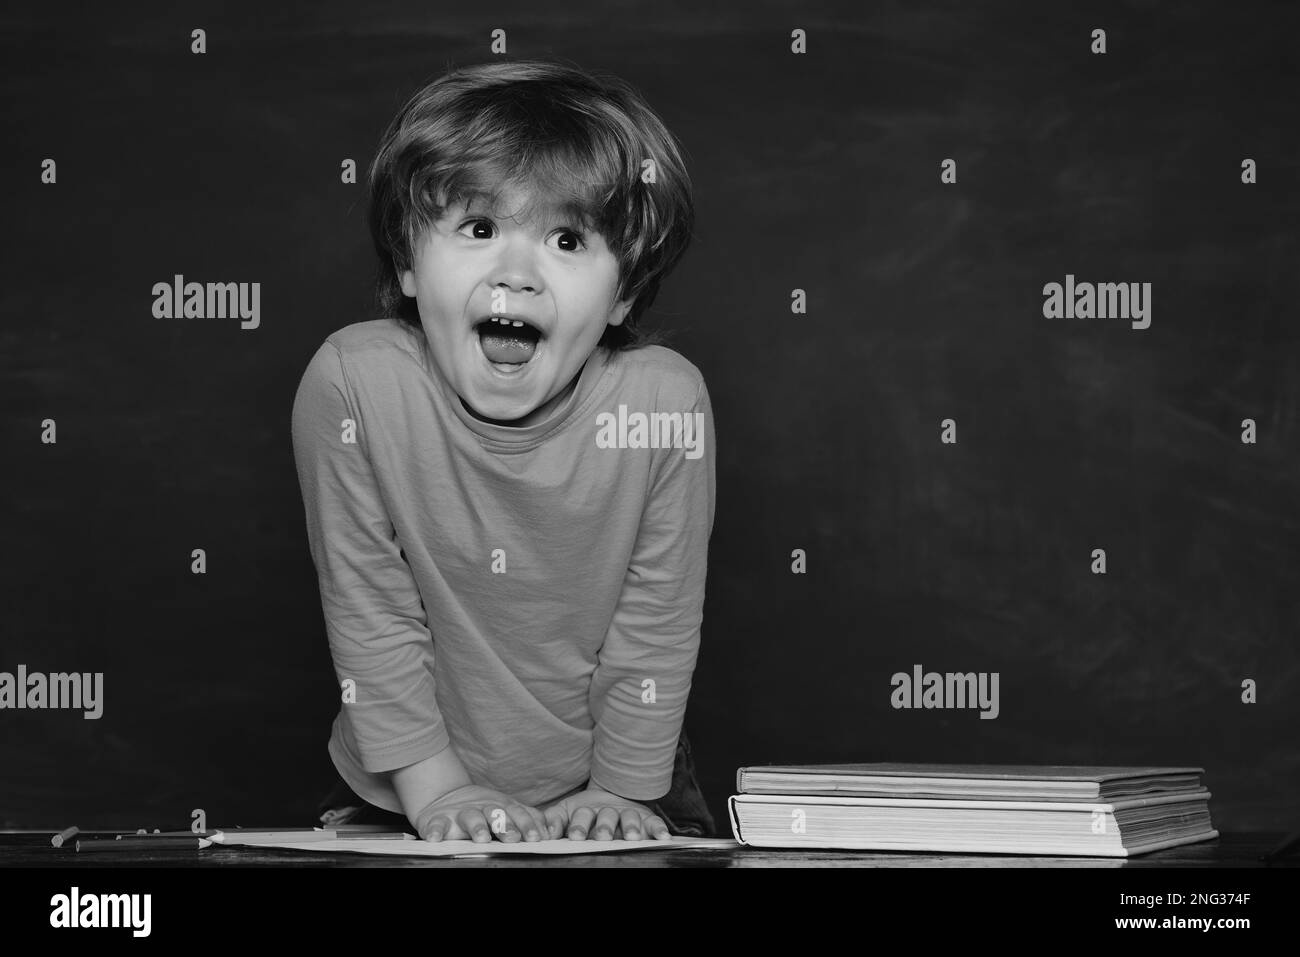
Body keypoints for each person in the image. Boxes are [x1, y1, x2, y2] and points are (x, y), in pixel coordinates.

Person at [291, 58, 716, 843]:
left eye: (566, 238)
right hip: (405, 771)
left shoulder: (664, 402)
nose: (516, 274)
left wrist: (620, 790)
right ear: (410, 262)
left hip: (623, 770)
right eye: (480, 229)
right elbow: (370, 611)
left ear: (622, 292)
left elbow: (656, 617)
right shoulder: (354, 382)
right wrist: (439, 790)